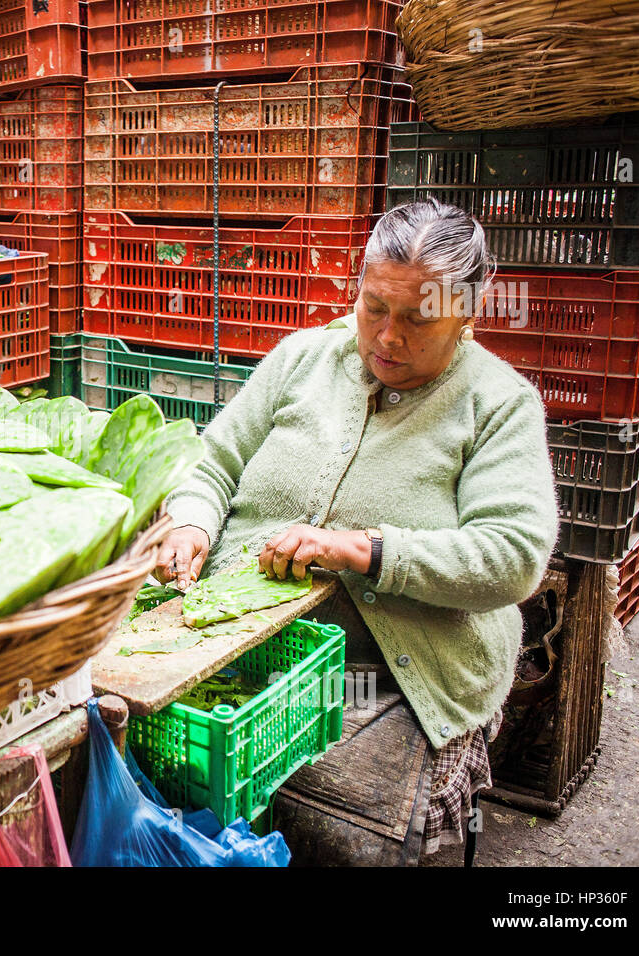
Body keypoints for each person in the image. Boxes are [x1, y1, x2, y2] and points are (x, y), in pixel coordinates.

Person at [156, 198, 559, 864]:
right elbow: (214, 461)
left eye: (418, 318)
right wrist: (193, 523)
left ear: (468, 314)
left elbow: (513, 557)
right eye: (374, 306)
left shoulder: (497, 402)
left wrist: (362, 551)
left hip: (384, 676)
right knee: (148, 756)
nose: (387, 338)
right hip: (237, 644)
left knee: (332, 832)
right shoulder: (303, 359)